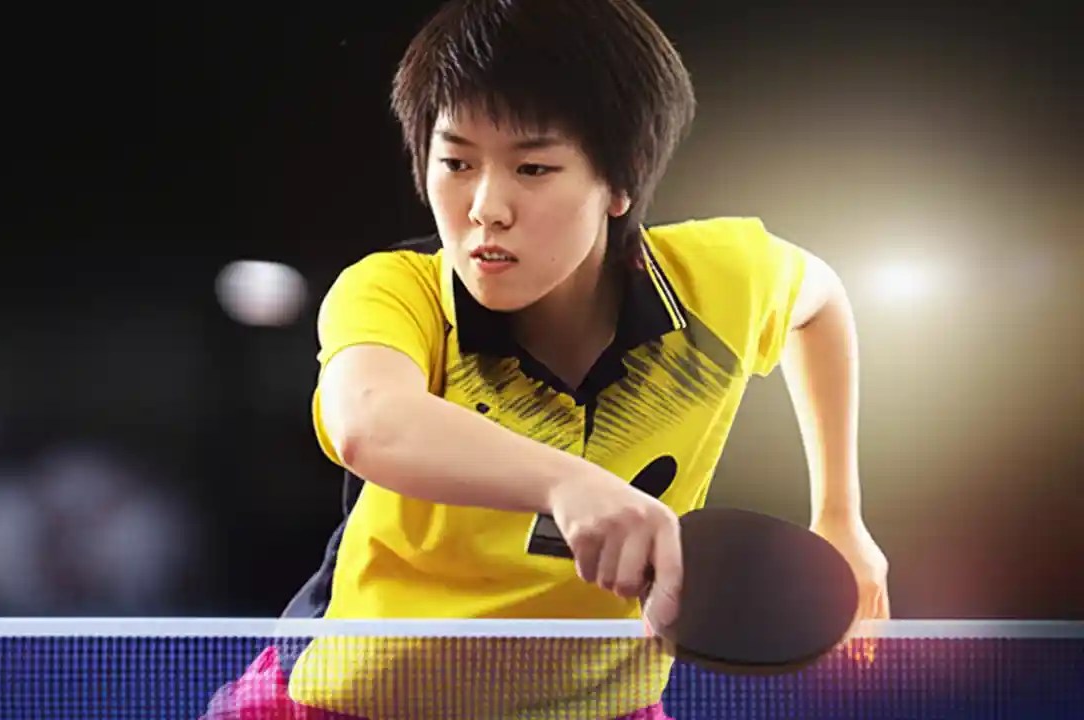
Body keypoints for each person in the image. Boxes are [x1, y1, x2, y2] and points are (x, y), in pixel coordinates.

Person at [205, 0, 890, 717]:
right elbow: (370, 422)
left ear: (619, 184)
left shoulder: (717, 287)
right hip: (356, 698)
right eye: (456, 162)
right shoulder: (394, 292)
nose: (485, 207)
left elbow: (821, 301)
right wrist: (571, 485)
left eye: (533, 167)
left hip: (596, 704)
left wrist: (841, 514)